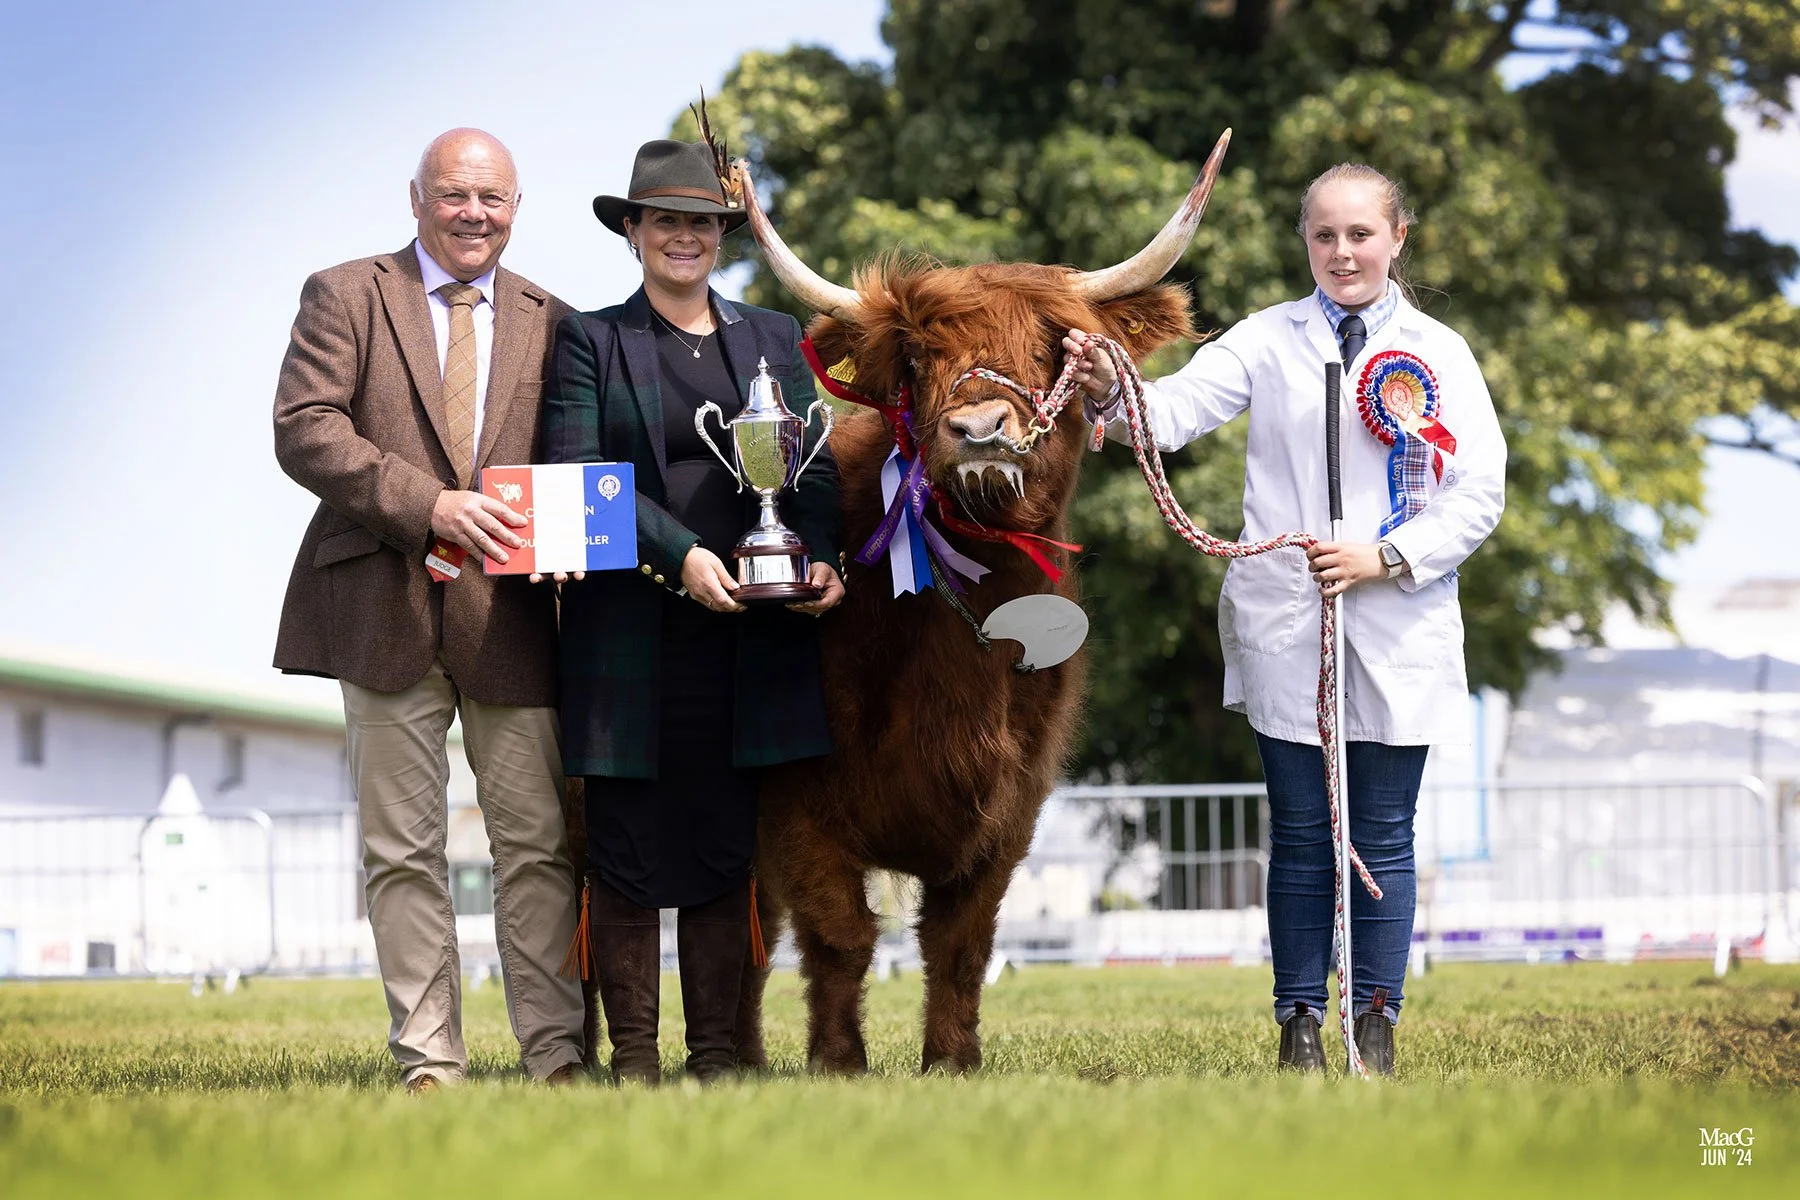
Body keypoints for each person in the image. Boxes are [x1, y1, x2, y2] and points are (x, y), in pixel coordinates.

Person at [1063, 163, 1506, 1074]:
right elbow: (1174, 414)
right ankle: (1300, 1022)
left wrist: (1385, 557)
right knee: (1303, 832)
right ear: (1304, 242)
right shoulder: (1268, 338)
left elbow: (1479, 492)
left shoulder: (1442, 353)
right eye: (1324, 236)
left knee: (1384, 834)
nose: (1342, 253)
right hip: (1287, 619)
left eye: (1360, 234)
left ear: (1397, 239)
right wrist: (1111, 379)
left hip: (1399, 620)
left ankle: (1375, 1021)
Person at [273, 128, 586, 1091]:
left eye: (492, 199)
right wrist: (429, 505)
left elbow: (574, 456)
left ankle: (557, 1054)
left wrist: (575, 538)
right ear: (416, 199)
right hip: (380, 605)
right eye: (454, 196)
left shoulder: (557, 318)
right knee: (400, 850)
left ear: (516, 208)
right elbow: (305, 428)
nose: (474, 214)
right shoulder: (346, 292)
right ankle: (429, 1060)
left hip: (517, 619)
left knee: (537, 844)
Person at [539, 137, 844, 1084]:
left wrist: (823, 557)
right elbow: (581, 476)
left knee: (723, 849)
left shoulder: (775, 339)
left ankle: (715, 1058)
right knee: (625, 853)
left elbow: (818, 465)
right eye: (664, 220)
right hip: (629, 636)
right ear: (632, 231)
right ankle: (634, 1060)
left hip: (751, 638)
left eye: (702, 224)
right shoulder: (590, 339)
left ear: (723, 236)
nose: (685, 238)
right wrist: (686, 557)